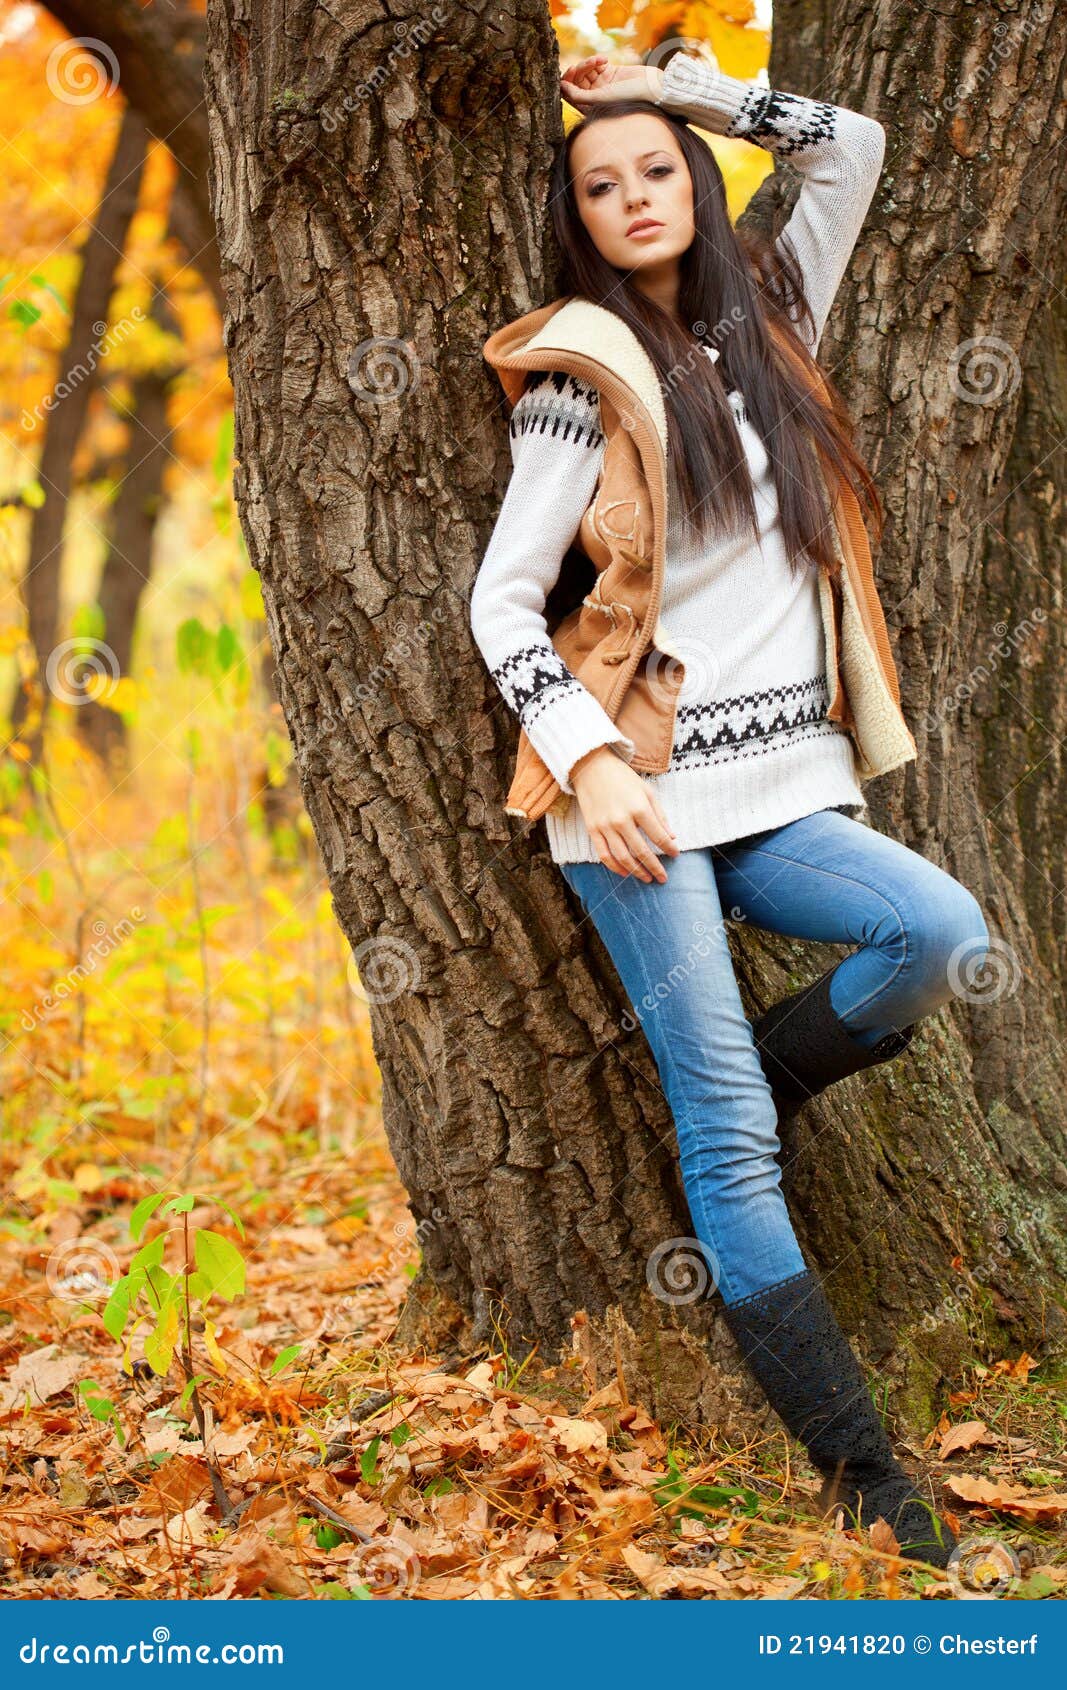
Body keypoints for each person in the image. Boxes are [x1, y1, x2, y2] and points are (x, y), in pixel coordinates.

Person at [470, 47, 991, 1567]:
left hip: (780, 783)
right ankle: (865, 1473)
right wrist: (589, 756)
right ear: (575, 218)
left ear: (696, 179)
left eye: (656, 170)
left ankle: (764, 1079)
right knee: (728, 1142)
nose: (634, 197)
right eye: (601, 184)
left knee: (939, 934)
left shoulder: (774, 313)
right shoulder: (579, 385)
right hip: (637, 807)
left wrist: (671, 85)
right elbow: (500, 602)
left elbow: (855, 146)